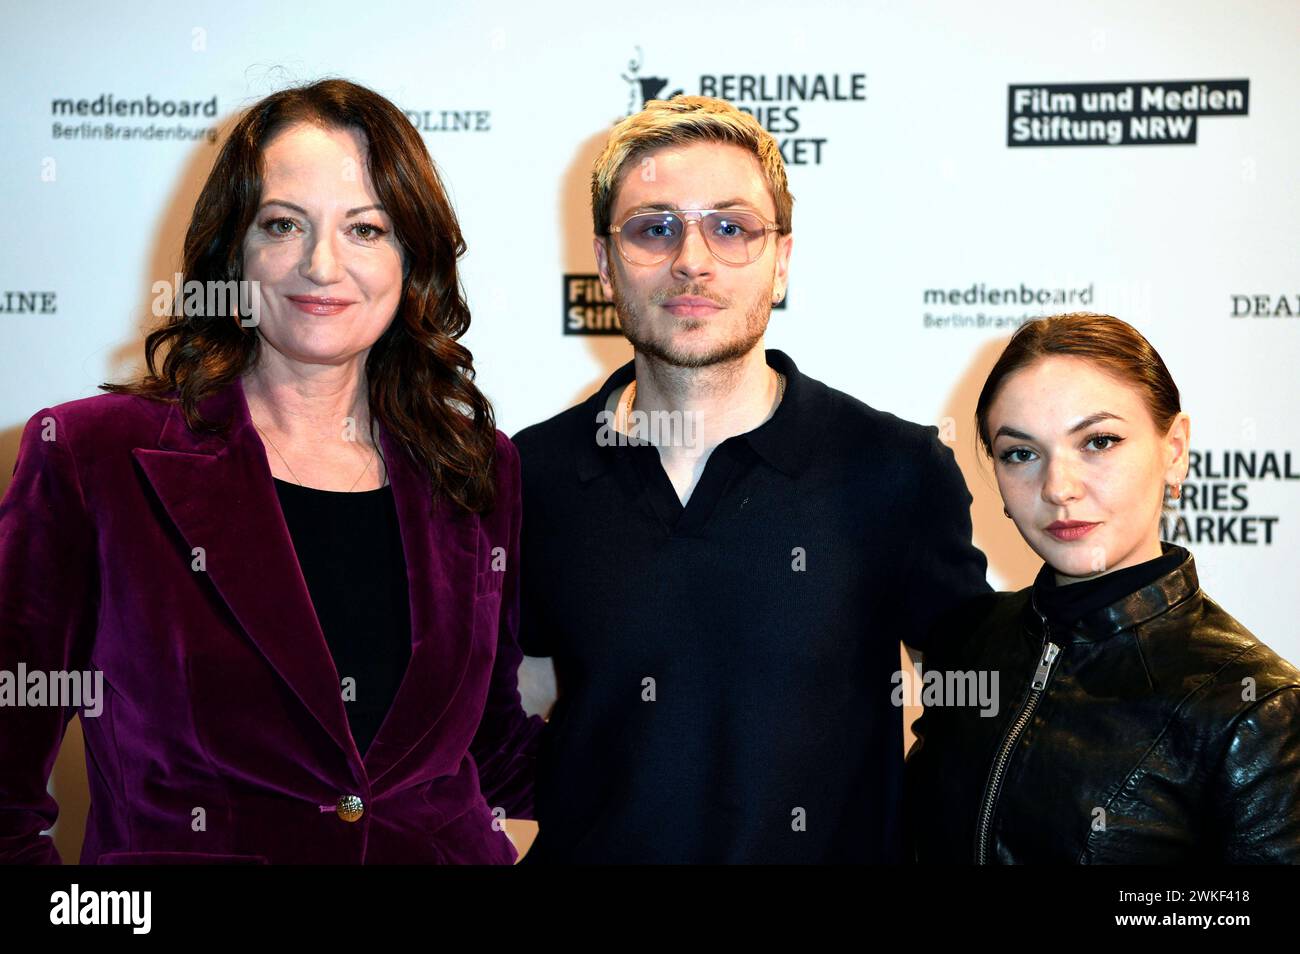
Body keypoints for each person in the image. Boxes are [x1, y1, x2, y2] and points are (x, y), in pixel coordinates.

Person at [0, 78, 542, 864]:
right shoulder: (92, 457)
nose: (322, 265)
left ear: (410, 259)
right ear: (235, 248)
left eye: (367, 229)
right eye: (284, 224)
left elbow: (493, 751)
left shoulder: (474, 468)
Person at [512, 95, 990, 863]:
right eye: (654, 228)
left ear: (783, 260)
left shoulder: (894, 471)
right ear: (604, 263)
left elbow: (980, 710)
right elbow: (511, 705)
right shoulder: (528, 475)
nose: (691, 260)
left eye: (731, 228)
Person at [905, 312, 1300, 863]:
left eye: (1099, 441)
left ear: (1175, 450)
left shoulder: (1255, 709)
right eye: (1021, 453)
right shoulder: (968, 641)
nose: (1059, 487)